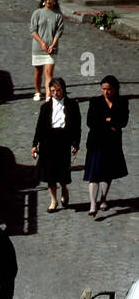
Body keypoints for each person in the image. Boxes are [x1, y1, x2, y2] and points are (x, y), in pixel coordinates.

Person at [32, 76, 81, 213]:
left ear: (63, 90)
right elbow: (39, 127)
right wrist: (35, 144)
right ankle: (53, 200)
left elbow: (77, 127)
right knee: (49, 174)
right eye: (53, 91)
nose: (56, 93)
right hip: (48, 141)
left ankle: (64, 189)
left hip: (64, 140)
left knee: (63, 171)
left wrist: (75, 143)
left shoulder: (72, 105)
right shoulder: (45, 107)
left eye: (58, 90)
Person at [85, 76, 129, 218]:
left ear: (115, 89)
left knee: (108, 173)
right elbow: (91, 122)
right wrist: (109, 121)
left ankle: (103, 198)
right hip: (96, 142)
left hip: (112, 143)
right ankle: (93, 204)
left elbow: (123, 121)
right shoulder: (95, 101)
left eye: (108, 89)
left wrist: (107, 120)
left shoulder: (122, 101)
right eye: (103, 89)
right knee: (94, 175)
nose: (106, 92)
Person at [30, 0, 63, 102]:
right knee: (38, 72)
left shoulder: (58, 15)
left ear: (54, 0)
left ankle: (49, 95)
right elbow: (33, 31)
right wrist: (42, 43)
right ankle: (38, 91)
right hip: (38, 47)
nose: (49, 1)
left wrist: (53, 45)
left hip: (51, 48)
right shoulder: (37, 13)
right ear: (44, 0)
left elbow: (59, 32)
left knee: (49, 72)